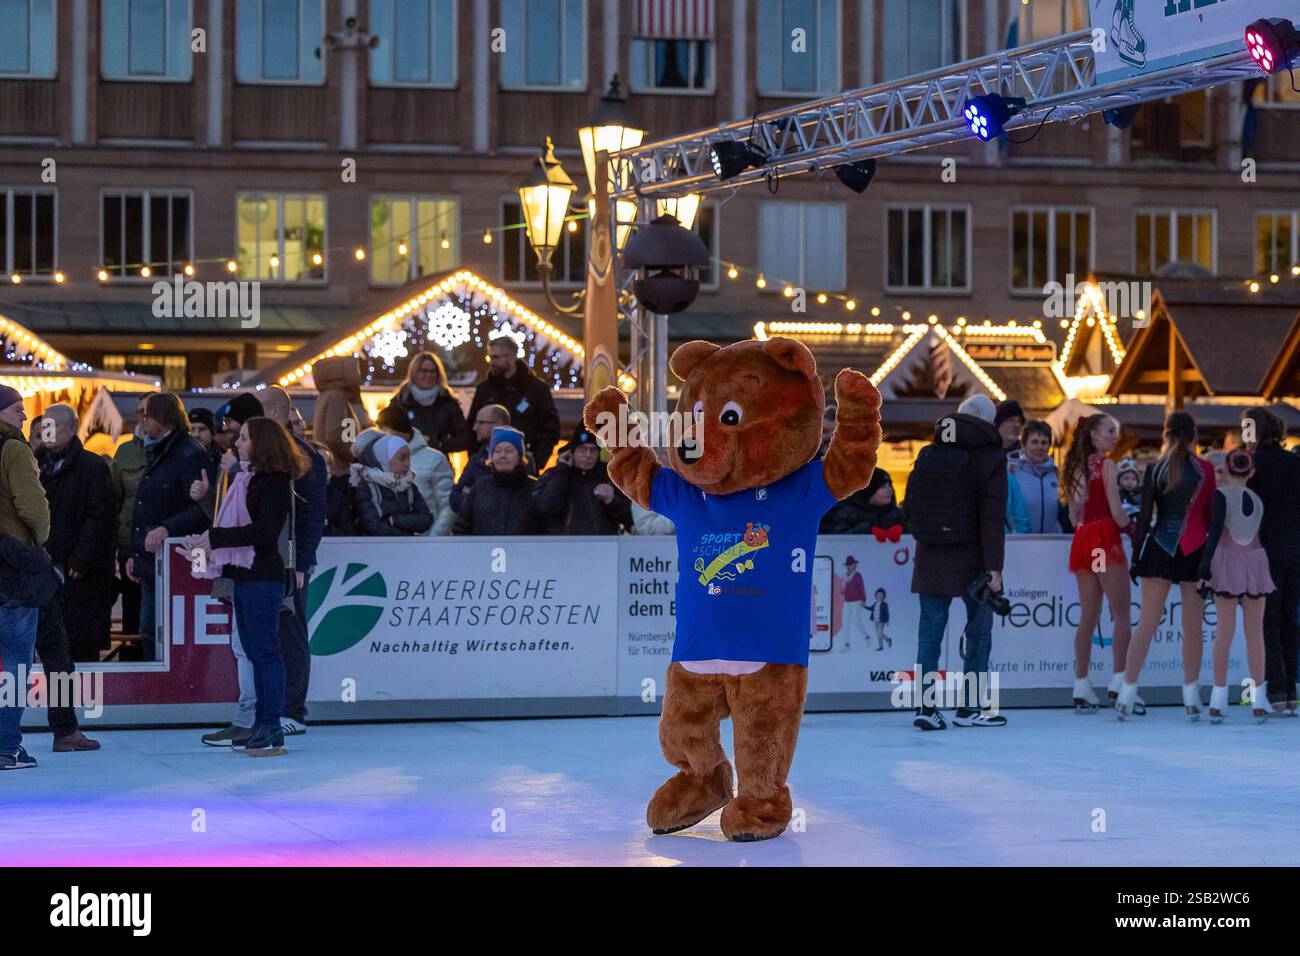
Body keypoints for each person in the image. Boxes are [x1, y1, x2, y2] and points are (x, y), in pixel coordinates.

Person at [186, 417, 306, 757]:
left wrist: (215, 538)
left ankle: (270, 725)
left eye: (243, 438)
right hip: (245, 575)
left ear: (261, 443)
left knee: (265, 652)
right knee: (255, 652)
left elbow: (265, 532)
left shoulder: (273, 482)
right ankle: (261, 724)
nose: (236, 443)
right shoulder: (247, 480)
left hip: (262, 577)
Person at [903, 394, 1008, 730]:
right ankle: (971, 707)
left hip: (931, 551)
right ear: (988, 423)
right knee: (979, 632)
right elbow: (992, 516)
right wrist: (995, 565)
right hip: (974, 555)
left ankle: (924, 706)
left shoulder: (929, 451)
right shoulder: (991, 456)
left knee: (929, 634)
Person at [1118, 411, 1215, 720]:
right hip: (1195, 548)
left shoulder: (1155, 469)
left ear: (1166, 435)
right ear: (1194, 435)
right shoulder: (1207, 470)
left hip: (1159, 548)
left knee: (1146, 623)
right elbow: (1211, 517)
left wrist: (1135, 557)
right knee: (1193, 628)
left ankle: (1126, 692)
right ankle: (1191, 695)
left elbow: (1145, 518)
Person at [36, 404, 115, 749]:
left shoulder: (91, 467)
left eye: (53, 428)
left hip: (74, 573)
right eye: (44, 428)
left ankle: (68, 724)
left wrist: (80, 560)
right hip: (40, 570)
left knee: (65, 650)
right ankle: (65, 727)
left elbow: (100, 518)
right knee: (54, 652)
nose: (47, 434)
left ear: (71, 429)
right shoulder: (36, 464)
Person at [259, 386, 327, 737]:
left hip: (287, 556)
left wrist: (299, 563)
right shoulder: (267, 452)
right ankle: (276, 705)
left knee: (290, 628)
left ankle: (293, 708)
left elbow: (308, 517)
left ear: (273, 412)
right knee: (271, 632)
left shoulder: (300, 457)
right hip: (265, 557)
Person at [127, 393, 214, 661]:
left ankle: (172, 692)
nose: (143, 421)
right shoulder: (161, 450)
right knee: (150, 630)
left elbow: (202, 509)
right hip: (154, 559)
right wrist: (135, 554)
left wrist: (167, 528)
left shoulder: (187, 454)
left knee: (163, 631)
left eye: (147, 415)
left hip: (177, 561)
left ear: (163, 418)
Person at [1061, 414, 1134, 713]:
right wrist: (1134, 528)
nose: (1114, 437)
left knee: (1089, 614)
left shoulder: (1075, 468)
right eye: (1109, 431)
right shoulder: (1106, 465)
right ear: (1093, 434)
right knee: (1121, 612)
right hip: (1103, 539)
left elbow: (1072, 516)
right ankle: (1119, 680)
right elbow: (1117, 512)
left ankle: (1081, 683)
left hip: (1083, 540)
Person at [1198, 448, 1275, 723]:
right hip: (1255, 561)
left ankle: (1218, 700)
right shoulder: (1257, 499)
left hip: (1226, 561)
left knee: (1224, 632)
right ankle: (1259, 700)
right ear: (1251, 472)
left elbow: (1216, 530)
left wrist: (1204, 568)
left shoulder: (1220, 495)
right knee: (1255, 634)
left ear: (1227, 471)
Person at [0, 385, 50, 769]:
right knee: (17, 663)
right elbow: (32, 506)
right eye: (17, 409)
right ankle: (6, 746)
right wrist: (40, 536)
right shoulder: (14, 449)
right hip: (12, 569)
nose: (24, 416)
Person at [1243, 407, 1300, 714]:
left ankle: (1275, 690)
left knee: (1268, 621)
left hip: (1264, 551)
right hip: (1295, 549)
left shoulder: (1252, 466)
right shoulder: (1294, 462)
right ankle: (1292, 690)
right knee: (1291, 620)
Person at [466, 335, 561, 469]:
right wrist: (476, 459)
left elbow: (550, 428)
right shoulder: (484, 389)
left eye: (496, 357)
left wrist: (537, 460)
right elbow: (472, 426)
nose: (491, 362)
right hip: (487, 463)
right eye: (490, 357)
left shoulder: (536, 390)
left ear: (511, 357)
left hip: (524, 463)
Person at [110, 392, 157, 643]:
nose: (144, 416)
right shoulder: (125, 452)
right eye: (141, 411)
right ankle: (132, 668)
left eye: (149, 411)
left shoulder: (170, 450)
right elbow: (115, 499)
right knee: (133, 614)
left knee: (161, 615)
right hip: (130, 545)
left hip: (164, 545)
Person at [534, 425, 632, 535]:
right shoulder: (554, 474)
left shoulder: (610, 476)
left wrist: (612, 500)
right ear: (572, 452)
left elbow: (632, 517)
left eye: (593, 450)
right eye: (582, 449)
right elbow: (542, 510)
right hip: (563, 546)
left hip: (603, 546)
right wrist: (562, 473)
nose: (587, 455)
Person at [376, 403, 454, 535]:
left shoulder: (434, 459)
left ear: (401, 433)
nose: (383, 437)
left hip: (425, 541)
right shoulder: (377, 459)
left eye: (386, 432)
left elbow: (448, 505)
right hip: (389, 542)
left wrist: (433, 540)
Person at [313, 356, 371, 534]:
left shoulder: (325, 396)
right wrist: (353, 456)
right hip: (340, 470)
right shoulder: (338, 397)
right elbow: (336, 434)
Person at [452, 426, 542, 535]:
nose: (502, 456)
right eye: (497, 451)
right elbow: (461, 526)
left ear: (520, 457)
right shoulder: (480, 488)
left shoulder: (535, 489)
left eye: (509, 451)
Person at [381, 351, 472, 455]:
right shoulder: (401, 401)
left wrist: (440, 444)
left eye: (433, 371)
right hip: (406, 460)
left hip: (437, 463)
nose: (429, 375)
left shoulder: (447, 402)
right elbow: (384, 431)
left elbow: (464, 437)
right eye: (423, 371)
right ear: (414, 373)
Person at [351, 434, 434, 536]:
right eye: (402, 458)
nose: (407, 463)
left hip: (406, 548)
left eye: (408, 458)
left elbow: (426, 519)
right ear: (384, 458)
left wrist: (394, 520)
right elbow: (373, 527)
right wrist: (406, 534)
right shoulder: (367, 487)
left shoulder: (409, 486)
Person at [450, 403, 514, 514]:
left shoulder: (520, 461)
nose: (474, 428)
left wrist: (472, 494)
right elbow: (455, 498)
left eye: (481, 423)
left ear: (498, 425)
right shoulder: (476, 460)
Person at [1008, 419, 1061, 534]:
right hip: (1021, 542)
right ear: (1024, 444)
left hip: (1053, 542)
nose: (1039, 447)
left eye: (1044, 442)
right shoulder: (1012, 472)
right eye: (1034, 442)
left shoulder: (1056, 474)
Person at [819, 468, 905, 536]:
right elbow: (838, 540)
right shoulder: (847, 514)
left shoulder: (898, 515)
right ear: (868, 490)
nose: (889, 490)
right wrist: (866, 528)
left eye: (890, 485)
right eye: (883, 487)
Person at [995, 401, 1031, 534]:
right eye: (1010, 420)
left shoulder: (1027, 458)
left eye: (1019, 421)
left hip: (1023, 531)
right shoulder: (988, 455)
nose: (1016, 425)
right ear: (998, 423)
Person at [838, 555, 869, 653]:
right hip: (847, 602)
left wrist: (863, 599)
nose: (849, 566)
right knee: (845, 622)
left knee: (856, 621)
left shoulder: (857, 575)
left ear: (854, 565)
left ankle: (867, 636)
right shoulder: (844, 577)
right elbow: (841, 591)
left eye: (850, 564)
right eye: (847, 565)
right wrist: (842, 590)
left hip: (856, 601)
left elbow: (861, 587)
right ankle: (847, 644)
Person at [1116, 456, 1142, 528]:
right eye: (1126, 479)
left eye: (1134, 479)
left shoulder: (1139, 494)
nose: (1130, 482)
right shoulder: (1118, 494)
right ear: (1119, 481)